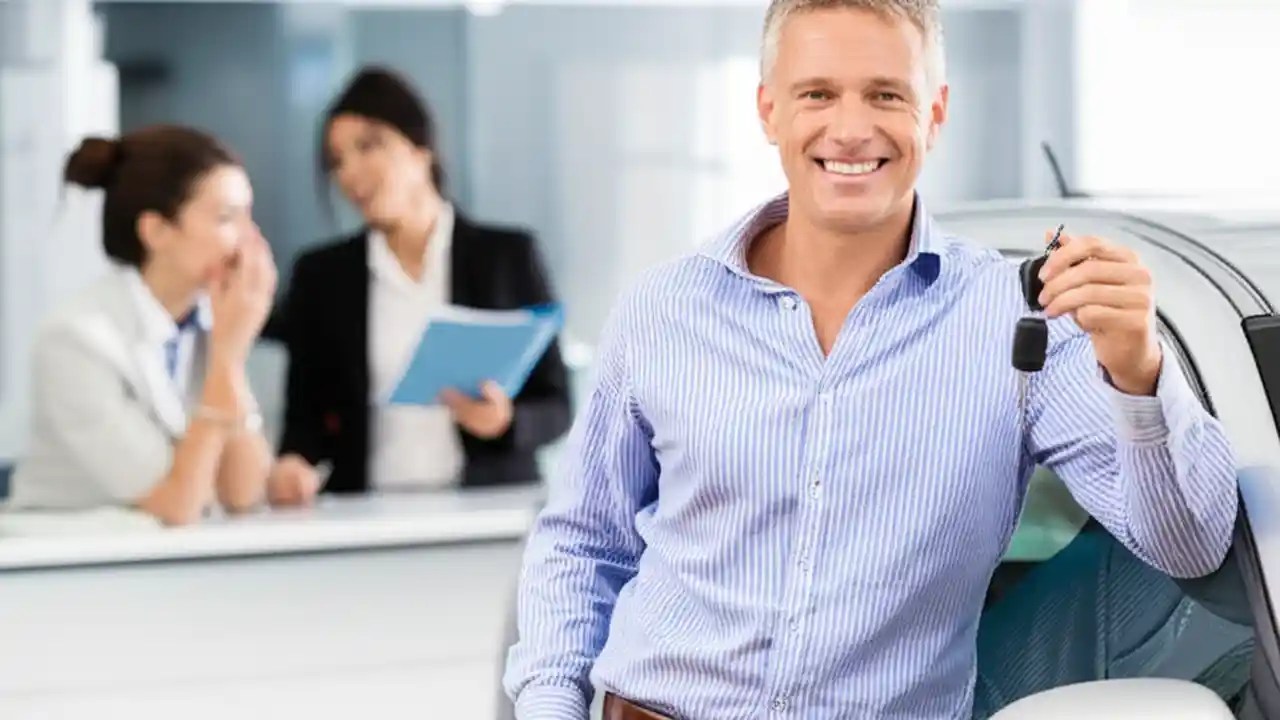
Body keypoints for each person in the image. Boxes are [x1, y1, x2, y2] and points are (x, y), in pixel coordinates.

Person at [502, 1, 1241, 718]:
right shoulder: (663, 309)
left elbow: (1189, 542)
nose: (850, 129)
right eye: (817, 93)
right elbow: (582, 543)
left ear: (936, 112)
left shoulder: (1021, 323)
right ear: (769, 111)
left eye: (886, 94)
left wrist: (1138, 371)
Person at [267, 66, 571, 504]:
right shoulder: (322, 276)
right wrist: (293, 464)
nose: (350, 172)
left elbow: (558, 406)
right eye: (337, 161)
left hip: (488, 511)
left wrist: (505, 420)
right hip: (368, 517)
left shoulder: (506, 256)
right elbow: (305, 422)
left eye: (367, 146)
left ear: (420, 148)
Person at [6, 126, 276, 526]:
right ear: (157, 231)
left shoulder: (208, 325)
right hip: (65, 567)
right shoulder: (74, 341)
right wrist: (226, 360)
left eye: (248, 218)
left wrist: (229, 357)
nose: (248, 241)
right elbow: (176, 504)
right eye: (226, 218)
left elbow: (243, 493)